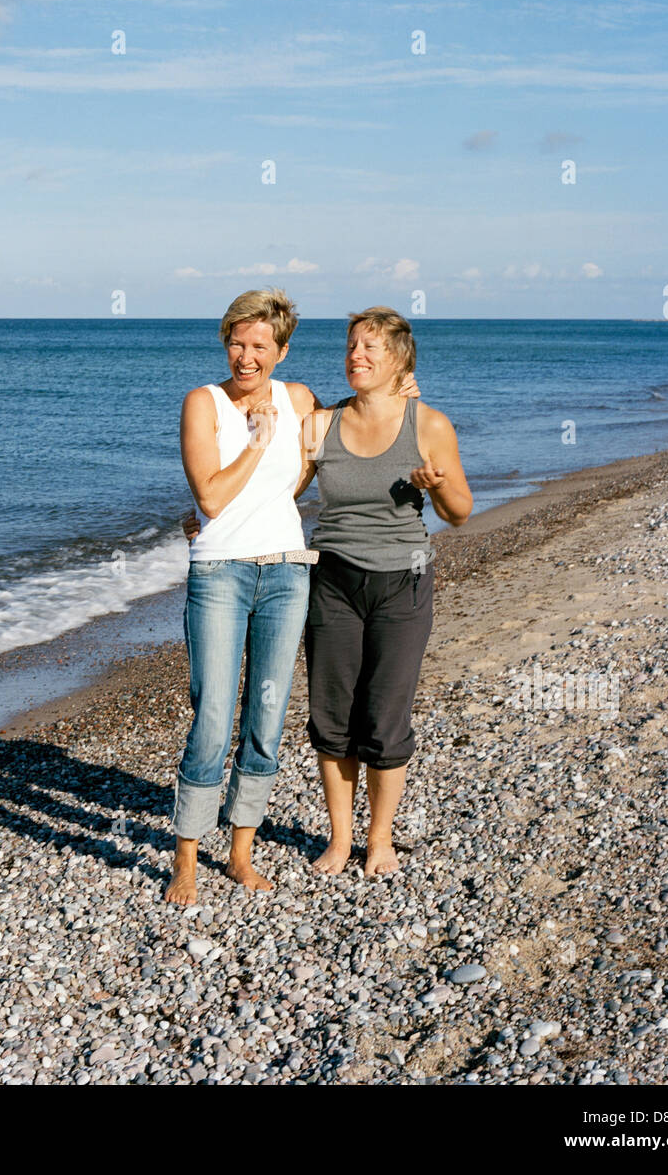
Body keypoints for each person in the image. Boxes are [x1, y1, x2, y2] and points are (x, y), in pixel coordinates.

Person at [170, 290, 420, 906]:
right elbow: (210, 498)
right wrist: (256, 443)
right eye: (237, 341)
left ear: (281, 350)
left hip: (287, 573)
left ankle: (242, 854)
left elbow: (343, 435)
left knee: (266, 718)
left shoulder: (301, 399)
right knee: (211, 716)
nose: (246, 356)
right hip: (220, 574)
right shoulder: (202, 404)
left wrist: (396, 393)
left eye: (260, 345)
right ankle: (186, 859)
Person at [301, 306, 473, 876]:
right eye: (352, 345)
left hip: (403, 582)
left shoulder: (429, 426)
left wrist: (438, 484)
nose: (357, 355)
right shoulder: (322, 424)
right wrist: (209, 520)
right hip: (333, 580)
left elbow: (461, 515)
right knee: (332, 715)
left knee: (384, 715)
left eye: (371, 347)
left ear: (399, 360)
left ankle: (380, 839)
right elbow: (277, 491)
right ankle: (340, 838)